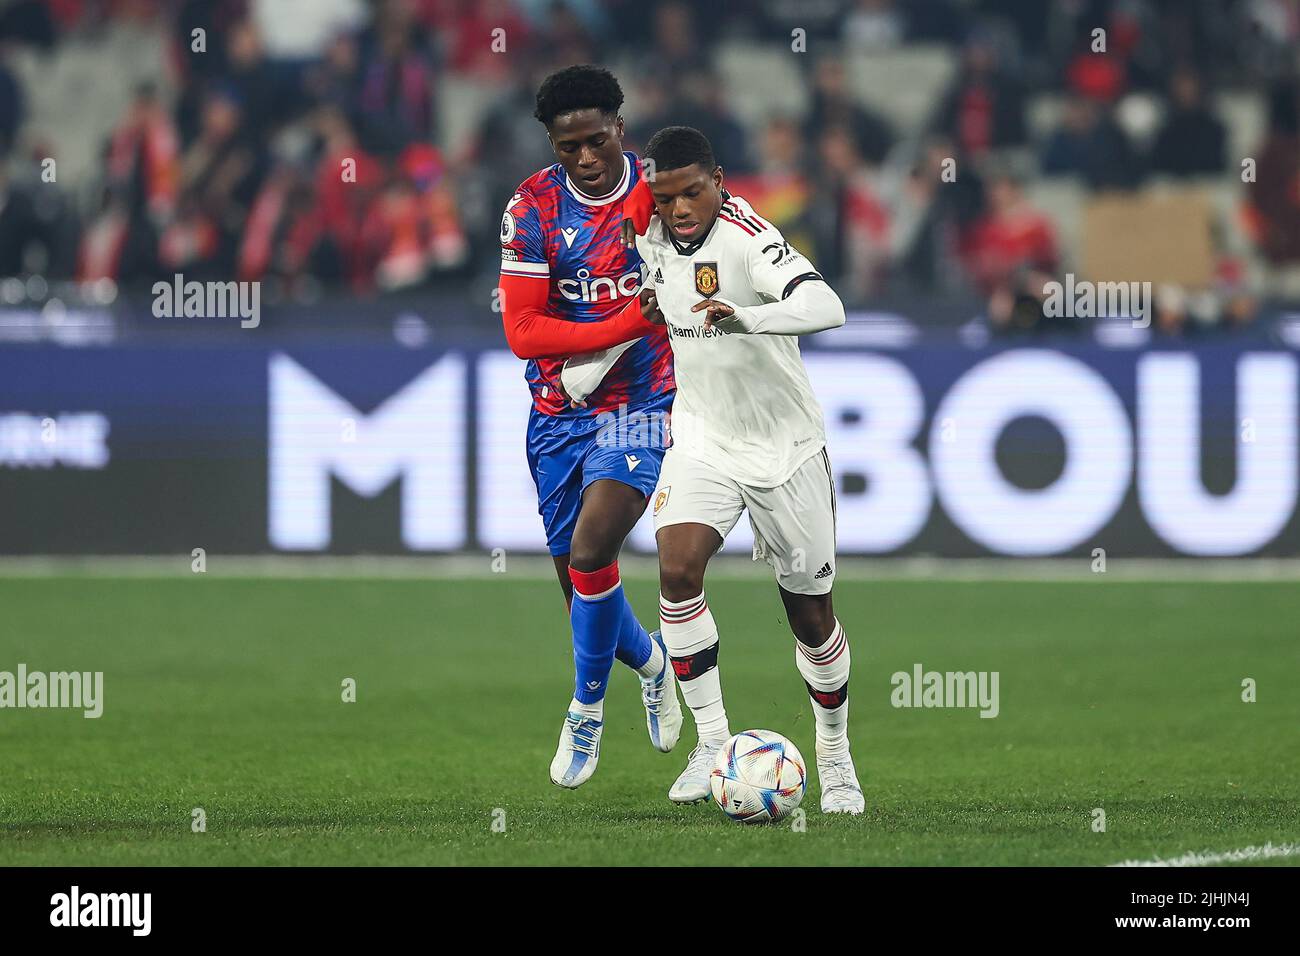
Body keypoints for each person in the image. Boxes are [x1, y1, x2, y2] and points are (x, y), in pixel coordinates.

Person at [583, 126, 865, 814]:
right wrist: (586, 366)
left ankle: (834, 752)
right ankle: (712, 741)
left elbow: (827, 305)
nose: (680, 208)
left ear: (719, 181)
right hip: (704, 437)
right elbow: (647, 301)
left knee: (811, 616)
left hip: (785, 445)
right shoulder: (647, 236)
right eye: (667, 196)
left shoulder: (747, 237)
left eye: (693, 192)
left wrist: (749, 316)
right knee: (676, 569)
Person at [496, 65, 682, 789]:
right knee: (582, 584)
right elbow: (524, 329)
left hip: (641, 403)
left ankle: (585, 710)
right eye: (568, 146)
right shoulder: (533, 208)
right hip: (556, 413)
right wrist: (626, 320)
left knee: (594, 543)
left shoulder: (661, 194)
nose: (585, 158)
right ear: (552, 143)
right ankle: (655, 661)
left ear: (620, 129)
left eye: (596, 140)